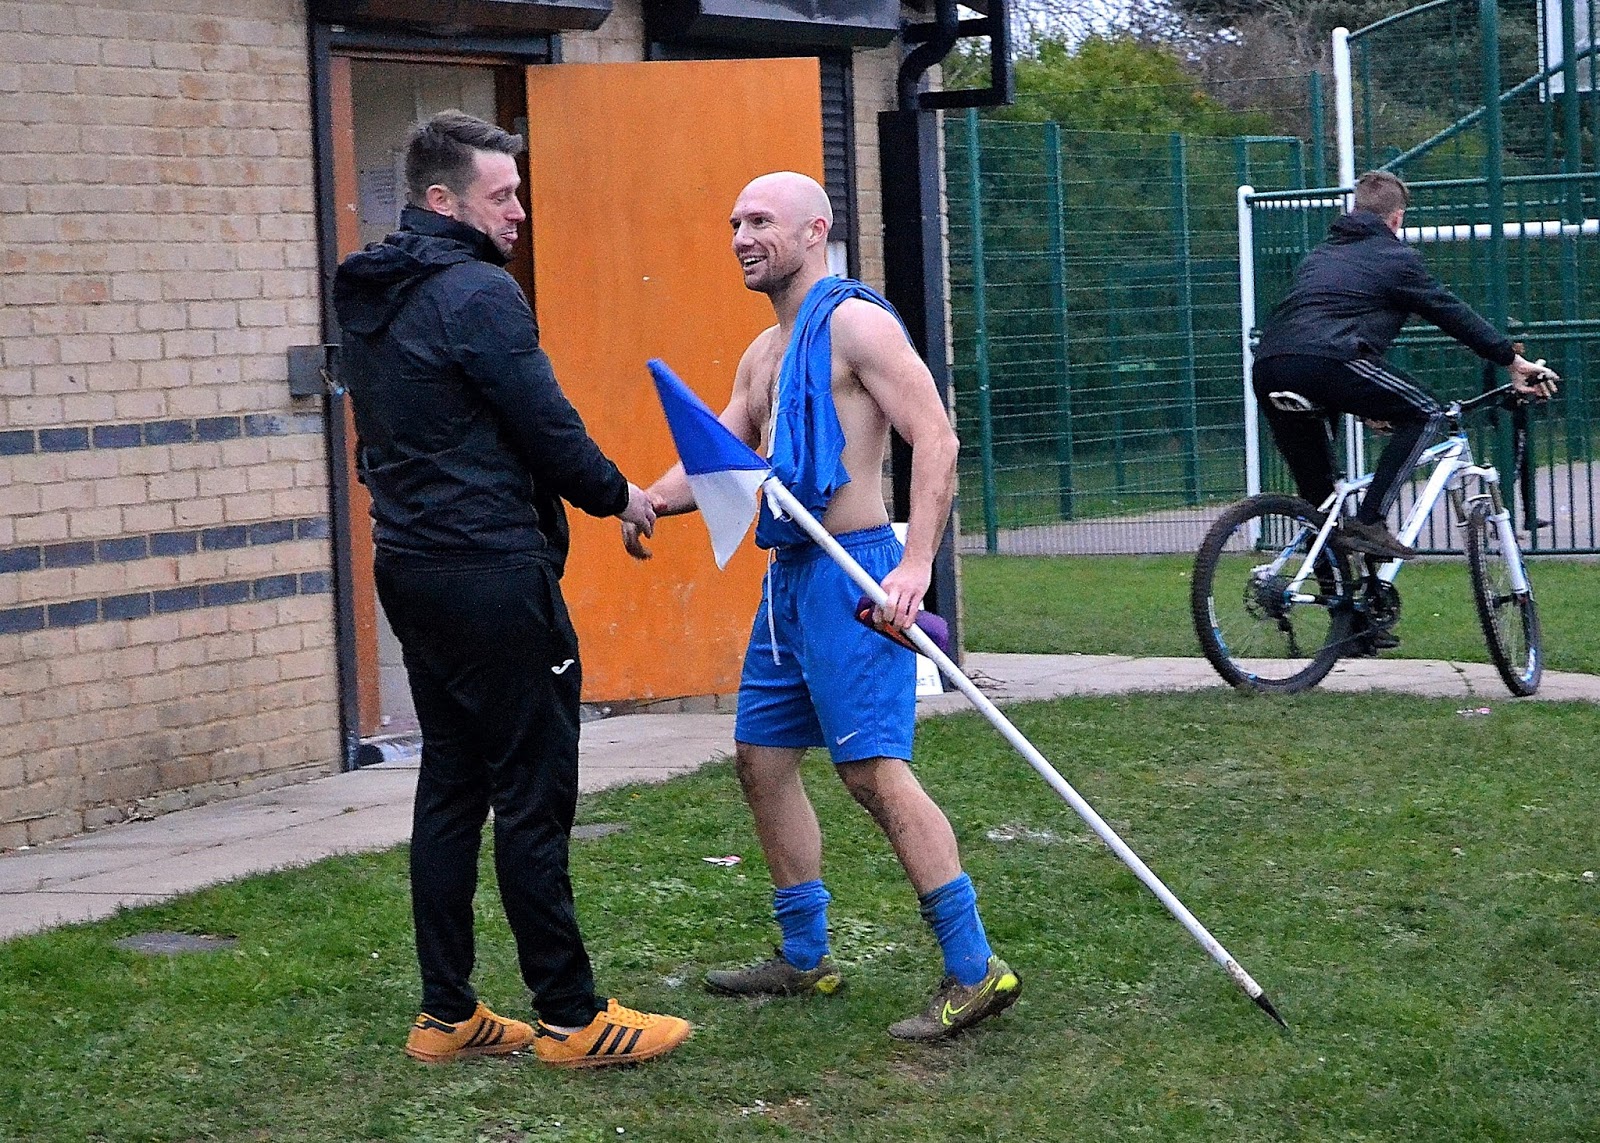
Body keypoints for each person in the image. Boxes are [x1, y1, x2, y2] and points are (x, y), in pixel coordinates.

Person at [623, 171, 1019, 1041]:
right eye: (734, 221)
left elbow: (937, 435)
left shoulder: (855, 324)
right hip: (789, 580)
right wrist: (649, 496)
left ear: (815, 231)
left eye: (760, 220)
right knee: (761, 761)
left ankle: (975, 967)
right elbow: (723, 455)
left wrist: (916, 566)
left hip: (859, 574)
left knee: (871, 772)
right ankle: (806, 956)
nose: (741, 235)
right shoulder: (762, 355)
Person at [333, 110, 691, 1068]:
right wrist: (623, 498)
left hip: (411, 568)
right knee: (534, 789)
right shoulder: (476, 293)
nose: (521, 212)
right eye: (504, 196)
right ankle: (573, 1018)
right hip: (493, 574)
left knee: (451, 780)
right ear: (442, 199)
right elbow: (547, 425)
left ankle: (446, 1012)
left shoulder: (372, 291)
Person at [1253, 169, 1557, 561]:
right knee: (1426, 413)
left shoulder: (1320, 256)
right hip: (1330, 359)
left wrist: (1364, 405)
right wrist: (1511, 359)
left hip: (1270, 365)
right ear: (1396, 218)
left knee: (1321, 503)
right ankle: (1371, 519)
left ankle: (1341, 609)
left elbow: (1327, 324)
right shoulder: (1396, 258)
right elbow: (1451, 312)